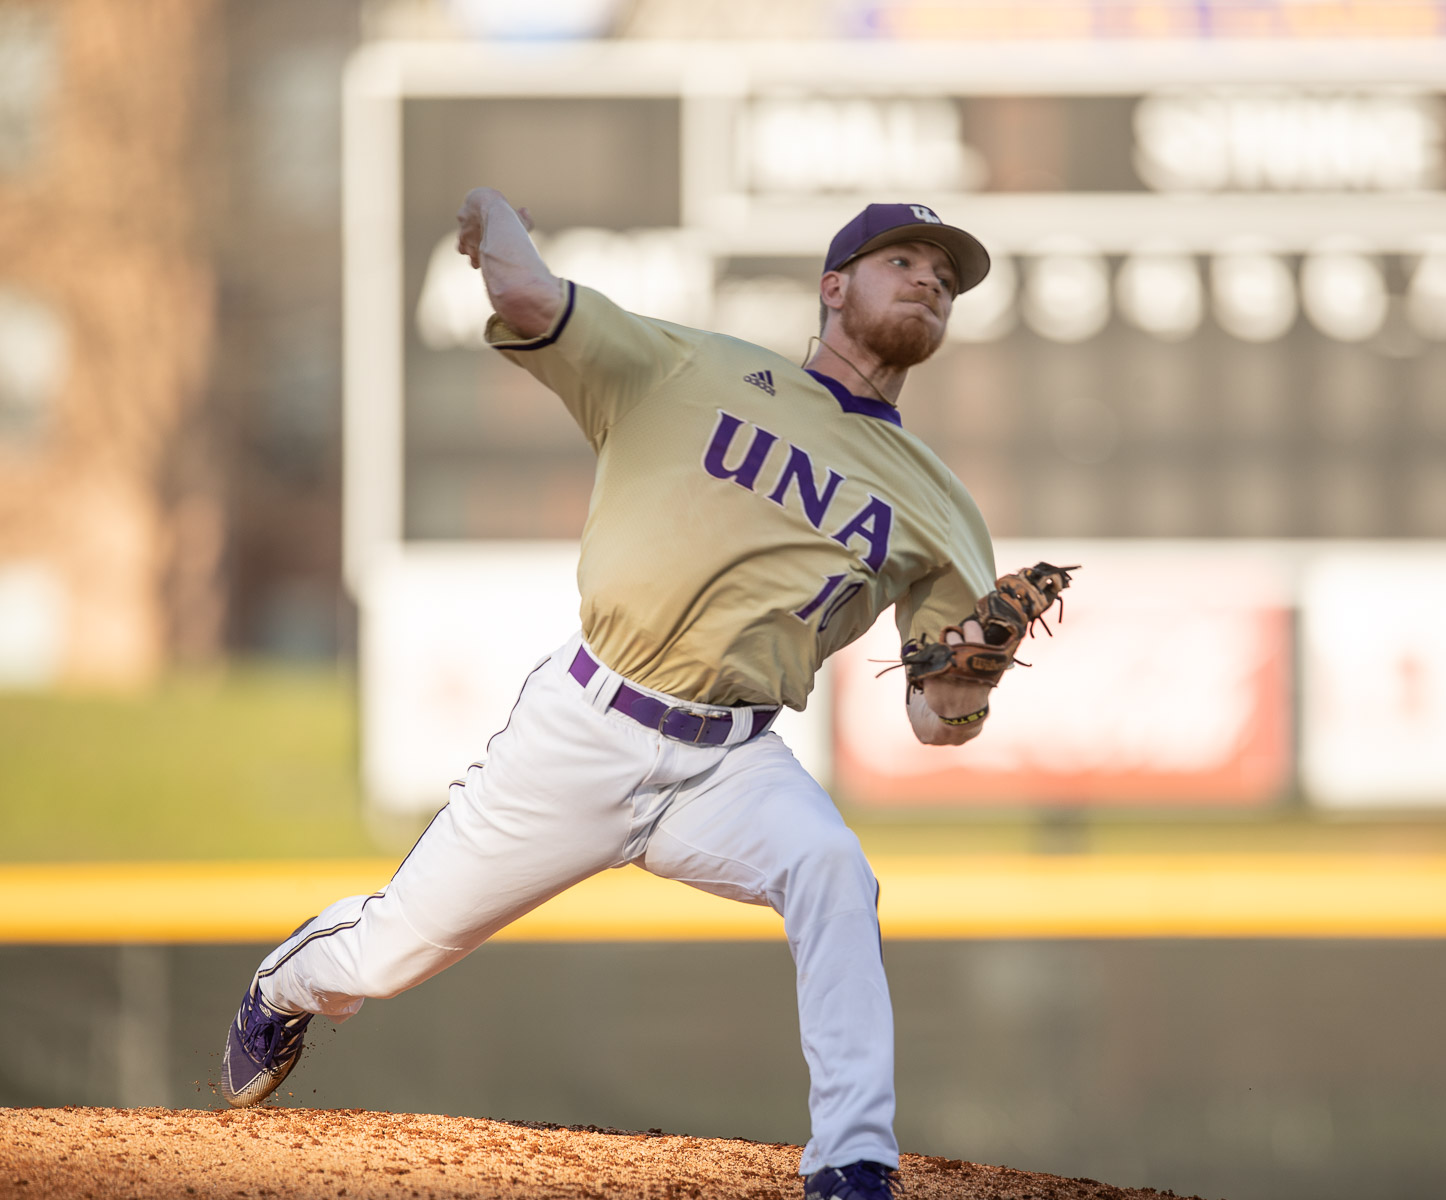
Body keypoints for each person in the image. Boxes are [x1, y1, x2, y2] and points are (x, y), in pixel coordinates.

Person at [220, 196, 1016, 1200]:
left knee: (831, 870)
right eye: (905, 260)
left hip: (730, 760)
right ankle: (279, 989)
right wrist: (498, 225)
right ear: (834, 285)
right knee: (391, 955)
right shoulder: (691, 368)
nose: (929, 283)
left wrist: (974, 674)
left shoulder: (942, 504)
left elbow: (936, 719)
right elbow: (532, 299)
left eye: (946, 280)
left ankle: (852, 1165)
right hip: (589, 727)